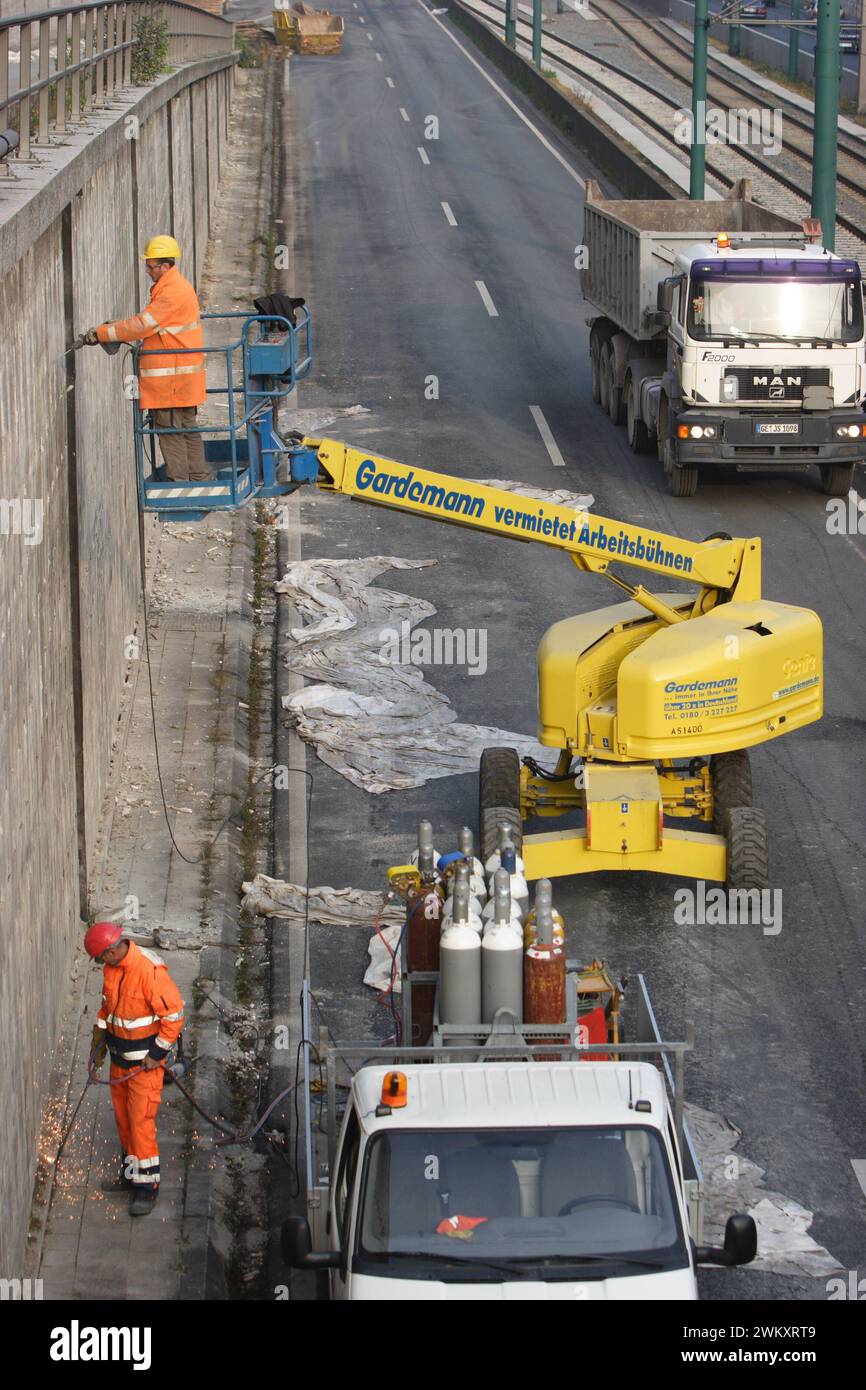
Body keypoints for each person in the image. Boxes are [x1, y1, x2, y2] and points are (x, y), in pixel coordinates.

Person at [85, 236, 209, 482]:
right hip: (181, 379)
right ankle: (198, 478)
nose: (147, 271)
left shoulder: (172, 292)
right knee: (187, 429)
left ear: (165, 266)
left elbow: (144, 325)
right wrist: (120, 326)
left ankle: (182, 484)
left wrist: (102, 333)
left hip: (172, 381)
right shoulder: (176, 287)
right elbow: (152, 323)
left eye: (151, 266)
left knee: (171, 432)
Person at [84, 921, 185, 1217]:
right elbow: (107, 1012)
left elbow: (175, 1017)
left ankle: (146, 1189)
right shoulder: (112, 969)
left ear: (113, 950)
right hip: (119, 1063)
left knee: (140, 1125)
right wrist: (98, 1048)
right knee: (125, 1122)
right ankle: (130, 1176)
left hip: (144, 1068)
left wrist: (156, 1054)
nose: (102, 962)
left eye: (102, 957)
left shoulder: (148, 972)